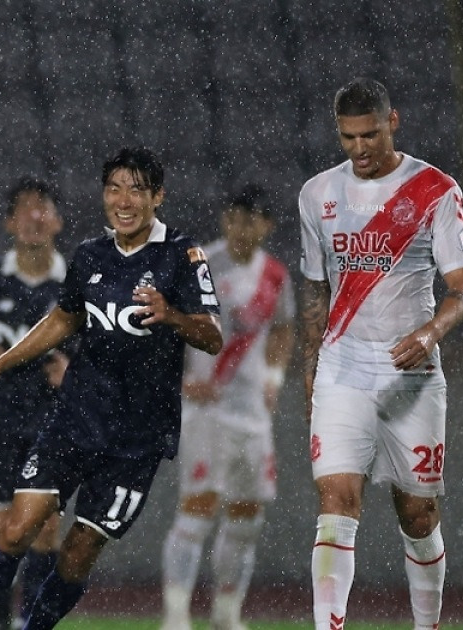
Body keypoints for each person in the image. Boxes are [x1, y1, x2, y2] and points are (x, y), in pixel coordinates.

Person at [0, 147, 223, 630]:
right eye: (114, 188)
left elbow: (212, 336)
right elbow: (62, 319)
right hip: (74, 419)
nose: (123, 201)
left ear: (157, 196)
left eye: (136, 190)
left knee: (80, 548)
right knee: (15, 529)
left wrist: (173, 315)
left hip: (136, 437)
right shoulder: (90, 256)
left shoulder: (183, 256)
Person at [298, 77, 463, 630]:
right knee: (337, 501)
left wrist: (430, 332)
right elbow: (314, 288)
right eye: (348, 138)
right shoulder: (317, 194)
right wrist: (311, 363)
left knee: (418, 515)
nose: (360, 149)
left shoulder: (434, 190)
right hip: (343, 365)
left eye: (370, 135)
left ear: (392, 122)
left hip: (412, 371)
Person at [160, 185, 295, 630]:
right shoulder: (200, 266)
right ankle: (177, 615)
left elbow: (282, 329)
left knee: (246, 516)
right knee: (197, 509)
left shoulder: (274, 276)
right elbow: (163, 324)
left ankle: (226, 613)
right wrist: (178, 381)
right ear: (224, 220)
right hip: (207, 411)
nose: (242, 227)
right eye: (236, 217)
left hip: (253, 414)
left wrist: (274, 379)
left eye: (252, 219)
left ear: (267, 226)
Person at [0, 177, 69, 630]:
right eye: (24, 209)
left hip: (53, 426)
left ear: (58, 220)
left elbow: (99, 356)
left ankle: (33, 624)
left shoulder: (75, 287)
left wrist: (73, 373)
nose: (34, 216)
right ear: (9, 222)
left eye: (42, 208)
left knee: (45, 529)